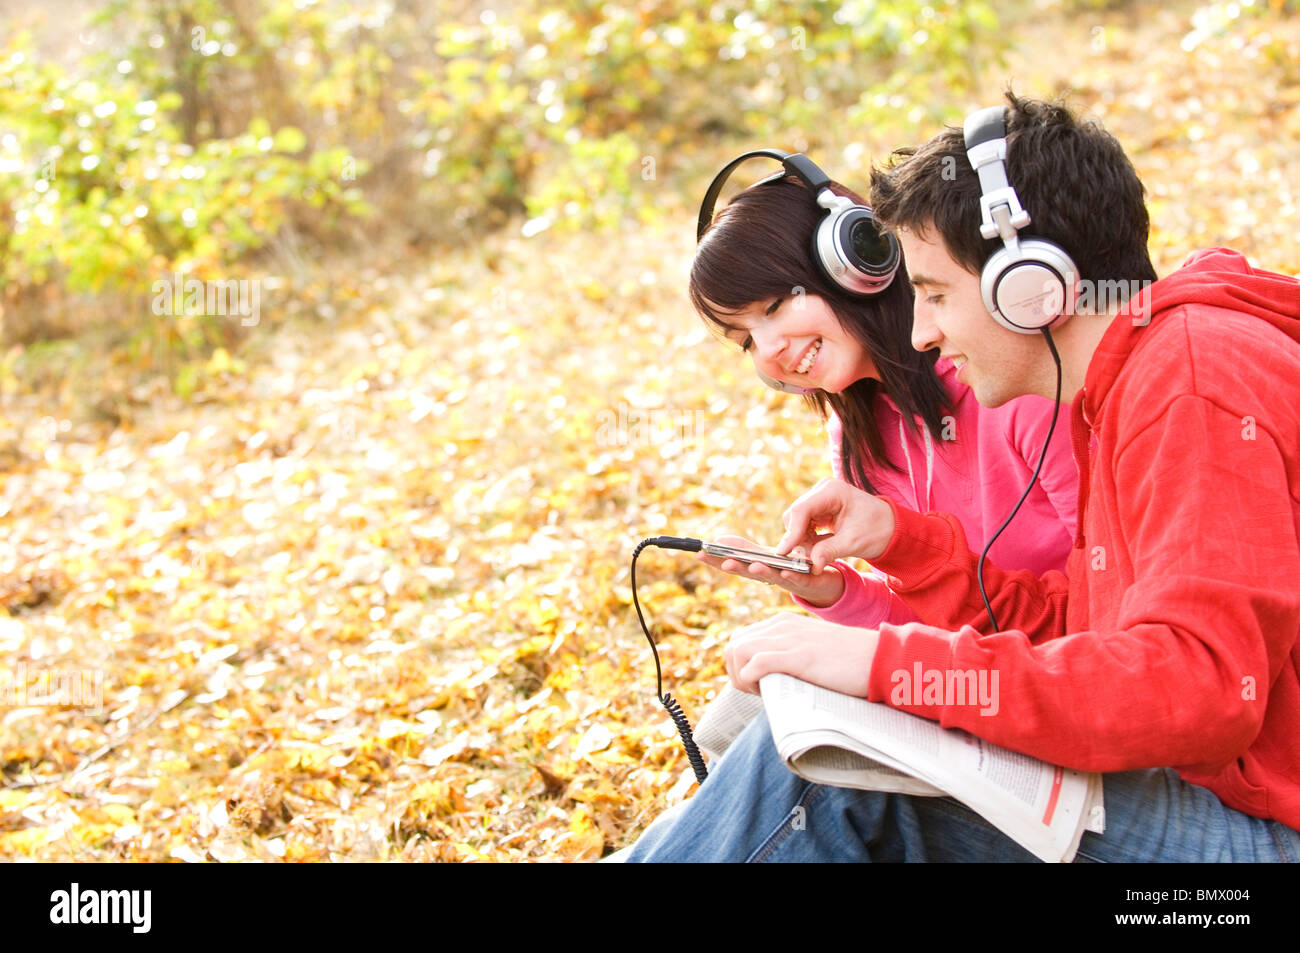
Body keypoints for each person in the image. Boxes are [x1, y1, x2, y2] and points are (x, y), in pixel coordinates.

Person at [629, 92, 1300, 862]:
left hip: (1266, 835)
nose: (922, 329)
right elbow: (1087, 625)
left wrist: (887, 666)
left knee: (846, 778)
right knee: (821, 732)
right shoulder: (1131, 387)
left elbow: (1195, 689)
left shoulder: (1191, 380)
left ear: (1033, 286)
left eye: (937, 293)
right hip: (1229, 797)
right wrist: (907, 548)